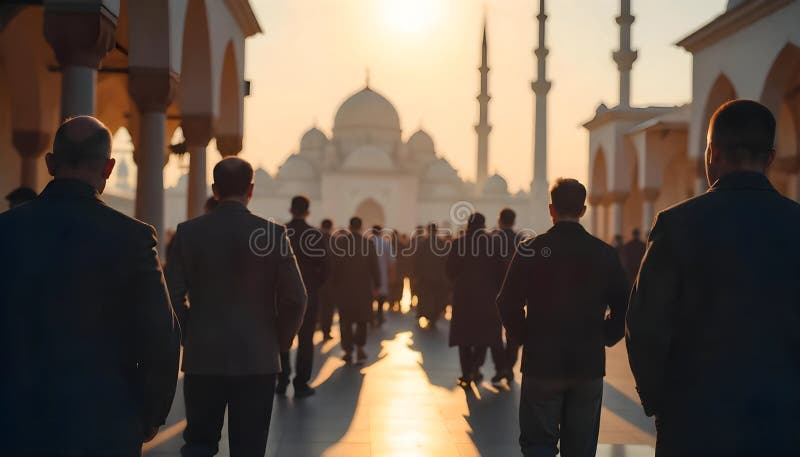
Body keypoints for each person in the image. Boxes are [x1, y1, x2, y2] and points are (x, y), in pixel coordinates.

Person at [626, 99, 800, 457]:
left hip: (695, 422)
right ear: (770, 158)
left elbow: (645, 327)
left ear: (711, 154)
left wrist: (660, 402)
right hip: (783, 422)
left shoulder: (676, 225)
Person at [0, 116, 180, 457]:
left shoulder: (6, 231)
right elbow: (162, 334)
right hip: (104, 424)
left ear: (51, 163)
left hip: (15, 422)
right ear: (109, 167)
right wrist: (151, 414)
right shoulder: (133, 237)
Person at [165, 157, 307, 457]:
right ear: (251, 189)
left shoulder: (188, 233)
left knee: (200, 444)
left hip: (203, 356)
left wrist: (191, 334)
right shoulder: (272, 234)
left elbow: (171, 297)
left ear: (214, 190)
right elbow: (296, 298)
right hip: (257, 359)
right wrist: (277, 341)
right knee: (249, 447)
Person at [497, 178, 629, 457]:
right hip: (587, 364)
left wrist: (525, 336)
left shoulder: (530, 249)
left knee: (539, 445)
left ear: (551, 209)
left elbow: (507, 302)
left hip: (541, 362)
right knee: (580, 448)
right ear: (583, 210)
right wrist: (604, 336)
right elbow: (625, 306)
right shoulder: (605, 254)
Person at [446, 213, 506, 387]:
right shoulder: (493, 243)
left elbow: (450, 271)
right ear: (484, 225)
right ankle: (474, 368)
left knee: (464, 335)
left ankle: (466, 372)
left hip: (463, 296)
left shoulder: (459, 243)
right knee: (484, 335)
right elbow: (501, 271)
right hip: (487, 297)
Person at [278, 195, 327, 398]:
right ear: (308, 212)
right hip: (308, 296)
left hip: (281, 296)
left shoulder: (279, 233)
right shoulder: (315, 235)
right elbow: (326, 269)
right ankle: (301, 383)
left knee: (281, 337)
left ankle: (282, 380)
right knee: (306, 339)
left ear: (290, 210)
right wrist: (312, 288)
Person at [330, 217, 381, 365]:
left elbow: (334, 267)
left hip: (344, 288)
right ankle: (360, 346)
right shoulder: (368, 243)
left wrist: (333, 285)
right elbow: (374, 267)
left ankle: (348, 350)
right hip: (363, 288)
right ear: (361, 227)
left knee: (345, 320)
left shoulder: (340, 242)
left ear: (349, 226)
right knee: (362, 319)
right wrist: (377, 286)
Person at [414, 223, 450, 327]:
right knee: (436, 298)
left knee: (425, 298)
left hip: (425, 277)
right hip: (438, 277)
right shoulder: (441, 243)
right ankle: (433, 316)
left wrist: (416, 275)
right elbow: (445, 261)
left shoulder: (423, 244)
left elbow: (417, 261)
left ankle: (425, 314)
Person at [370, 225, 395, 326]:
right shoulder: (385, 243)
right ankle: (379, 316)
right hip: (383, 275)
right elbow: (392, 262)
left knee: (370, 299)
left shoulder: (368, 243)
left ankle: (371, 318)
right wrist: (392, 276)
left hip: (369, 276)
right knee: (381, 299)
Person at [317, 218, 337, 341]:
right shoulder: (334, 241)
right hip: (331, 280)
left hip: (316, 280)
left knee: (319, 305)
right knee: (328, 307)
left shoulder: (314, 239)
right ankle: (326, 331)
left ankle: (319, 324)